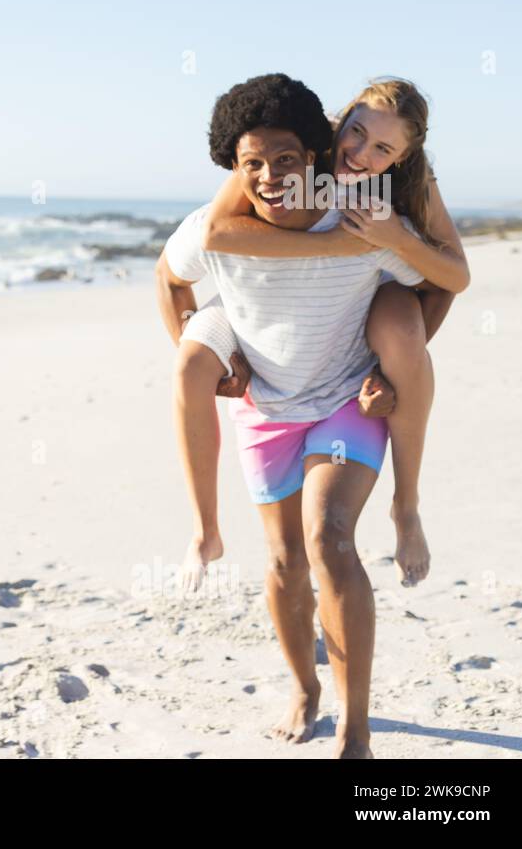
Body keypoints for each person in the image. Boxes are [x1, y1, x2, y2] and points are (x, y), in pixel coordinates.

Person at [156, 73, 433, 757]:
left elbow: (431, 284)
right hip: (266, 411)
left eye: (286, 159)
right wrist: (217, 359)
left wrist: (395, 363)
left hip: (344, 401)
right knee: (283, 562)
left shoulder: (361, 218)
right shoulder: (214, 229)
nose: (271, 176)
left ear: (313, 155)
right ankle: (304, 687)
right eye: (252, 163)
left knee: (329, 539)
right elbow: (168, 277)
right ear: (235, 166)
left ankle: (355, 725)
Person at [182, 79, 468, 590]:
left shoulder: (414, 183)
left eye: (383, 149)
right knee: (190, 364)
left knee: (402, 324)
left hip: (366, 295)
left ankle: (406, 508)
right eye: (356, 132)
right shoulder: (302, 143)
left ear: (402, 157)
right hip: (274, 298)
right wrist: (336, 246)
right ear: (343, 118)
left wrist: (396, 241)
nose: (359, 153)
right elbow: (216, 233)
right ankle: (205, 531)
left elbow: (453, 277)